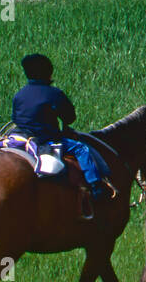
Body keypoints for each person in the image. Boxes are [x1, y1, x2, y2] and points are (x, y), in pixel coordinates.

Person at [11, 54, 114, 211]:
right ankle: (96, 186)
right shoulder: (53, 93)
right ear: (48, 73)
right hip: (45, 139)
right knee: (81, 149)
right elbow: (70, 117)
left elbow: (15, 118)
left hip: (20, 137)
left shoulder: (20, 94)